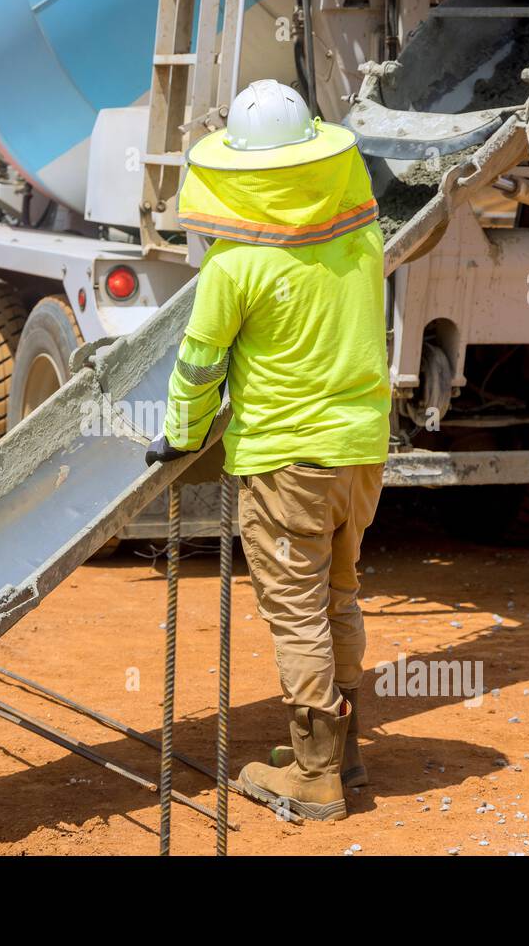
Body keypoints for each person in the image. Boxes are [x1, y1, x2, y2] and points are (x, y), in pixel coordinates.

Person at [145, 80, 388, 822]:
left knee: (297, 612)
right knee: (340, 595)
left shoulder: (232, 266)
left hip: (288, 463)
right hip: (361, 453)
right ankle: (343, 755)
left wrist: (179, 439)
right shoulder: (362, 237)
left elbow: (197, 367)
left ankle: (315, 778)